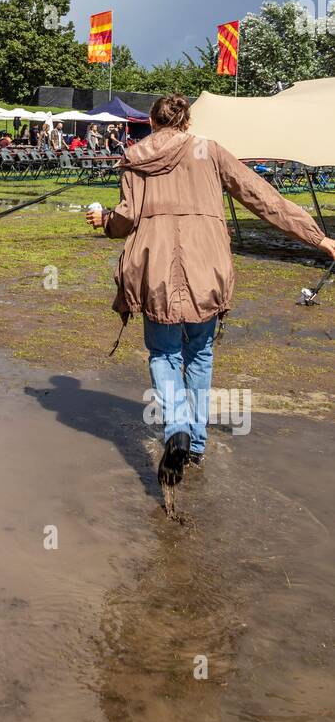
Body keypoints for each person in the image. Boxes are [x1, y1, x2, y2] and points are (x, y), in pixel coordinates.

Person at [85, 93, 335, 487]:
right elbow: (263, 198)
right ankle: (196, 444)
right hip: (208, 269)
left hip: (155, 271)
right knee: (199, 354)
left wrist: (104, 220)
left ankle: (177, 430)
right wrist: (318, 238)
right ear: (186, 123)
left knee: (164, 353)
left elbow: (127, 218)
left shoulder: (134, 157)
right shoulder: (210, 151)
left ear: (152, 123)